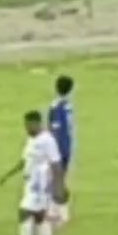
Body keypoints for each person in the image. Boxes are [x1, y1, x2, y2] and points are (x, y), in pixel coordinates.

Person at [0, 110, 66, 235]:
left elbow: (56, 164)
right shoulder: (31, 139)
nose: (26, 128)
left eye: (29, 125)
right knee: (39, 217)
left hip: (40, 184)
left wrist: (58, 186)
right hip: (30, 182)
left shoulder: (47, 140)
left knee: (24, 212)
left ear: (37, 123)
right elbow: (25, 160)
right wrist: (8, 174)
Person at [46, 74, 75, 225]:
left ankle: (61, 212)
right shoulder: (68, 105)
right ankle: (54, 209)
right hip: (67, 146)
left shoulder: (56, 107)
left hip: (58, 148)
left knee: (58, 179)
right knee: (57, 179)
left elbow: (55, 130)